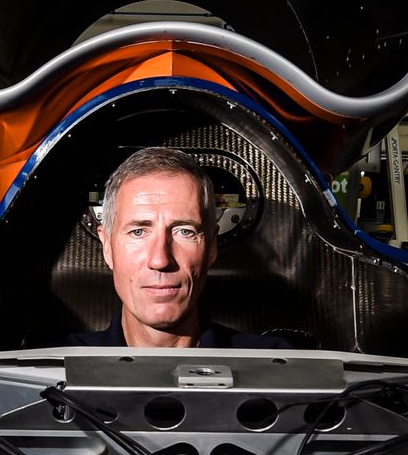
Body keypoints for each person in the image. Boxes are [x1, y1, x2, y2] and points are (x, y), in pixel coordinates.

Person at [70, 147, 292, 348]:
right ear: (107, 247)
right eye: (138, 232)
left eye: (185, 231)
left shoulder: (278, 367)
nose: (160, 260)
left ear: (211, 247)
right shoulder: (53, 371)